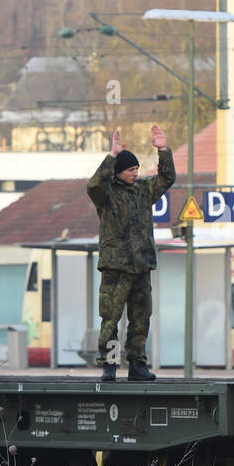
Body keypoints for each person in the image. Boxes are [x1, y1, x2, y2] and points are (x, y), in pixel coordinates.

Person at [86, 125, 175, 381]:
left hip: (141, 265)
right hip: (116, 267)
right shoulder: (106, 194)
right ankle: (110, 365)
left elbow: (167, 179)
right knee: (110, 318)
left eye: (137, 169)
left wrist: (163, 150)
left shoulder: (143, 190)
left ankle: (137, 365)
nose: (135, 173)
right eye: (130, 170)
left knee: (140, 318)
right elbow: (93, 186)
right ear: (118, 172)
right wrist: (111, 156)